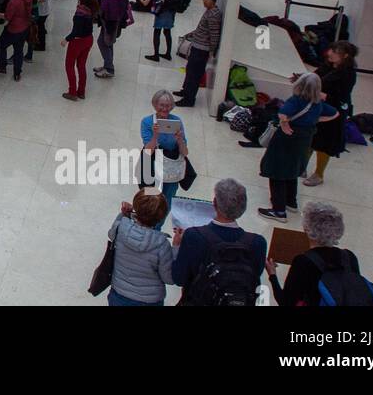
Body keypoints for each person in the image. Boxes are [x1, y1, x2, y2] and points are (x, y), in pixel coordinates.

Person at [256, 73, 339, 220]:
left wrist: (284, 124)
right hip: (304, 139)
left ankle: (279, 210)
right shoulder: (318, 104)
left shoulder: (296, 100)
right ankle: (291, 202)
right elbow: (335, 113)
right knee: (292, 169)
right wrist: (315, 119)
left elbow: (283, 113)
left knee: (277, 171)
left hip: (287, 139)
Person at [171, 178, 267, 306]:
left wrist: (176, 246)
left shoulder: (194, 236)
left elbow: (179, 278)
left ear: (215, 203)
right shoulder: (258, 243)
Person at [266, 202, 373, 306]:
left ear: (306, 229)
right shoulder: (349, 257)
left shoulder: (303, 262)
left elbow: (285, 302)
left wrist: (272, 275)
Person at [105, 191, 175, 306]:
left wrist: (123, 215)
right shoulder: (162, 245)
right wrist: (176, 246)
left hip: (118, 295)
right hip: (149, 300)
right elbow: (169, 278)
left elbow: (111, 234)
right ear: (162, 217)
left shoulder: (121, 228)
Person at [305, 41, 359, 188]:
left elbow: (342, 96)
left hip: (334, 111)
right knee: (310, 137)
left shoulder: (348, 73)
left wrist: (326, 96)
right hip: (318, 106)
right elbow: (315, 77)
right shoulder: (327, 66)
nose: (330, 53)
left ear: (345, 55)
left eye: (334, 52)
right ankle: (301, 166)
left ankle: (318, 174)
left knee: (324, 143)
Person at [140, 89, 188, 219]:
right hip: (151, 163)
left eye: (168, 105)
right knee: (149, 198)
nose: (165, 109)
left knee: (167, 200)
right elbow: (148, 151)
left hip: (171, 165)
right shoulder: (146, 122)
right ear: (155, 105)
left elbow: (185, 152)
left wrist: (180, 140)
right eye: (161, 105)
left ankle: (158, 227)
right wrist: (155, 135)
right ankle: (147, 223)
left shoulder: (177, 122)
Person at [174, 0, 222, 107]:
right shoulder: (209, 11)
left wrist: (212, 51)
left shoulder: (214, 14)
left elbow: (214, 34)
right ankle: (185, 91)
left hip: (202, 50)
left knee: (194, 74)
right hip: (197, 46)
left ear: (212, 0)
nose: (203, 1)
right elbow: (202, 29)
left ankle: (189, 99)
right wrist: (190, 34)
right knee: (189, 70)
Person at [0, 0, 33, 81]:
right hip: (25, 27)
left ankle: (2, 67)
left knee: (1, 45)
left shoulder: (15, 0)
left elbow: (7, 17)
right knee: (18, 50)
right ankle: (17, 73)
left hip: (13, 29)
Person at [62, 0, 98, 101]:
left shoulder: (80, 12)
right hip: (88, 39)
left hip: (77, 41)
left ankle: (72, 92)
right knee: (81, 65)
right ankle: (81, 91)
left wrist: (66, 39)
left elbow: (76, 31)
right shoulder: (91, 8)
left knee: (69, 65)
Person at [94, 0, 128, 80]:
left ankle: (109, 68)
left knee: (103, 42)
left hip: (112, 18)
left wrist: (107, 1)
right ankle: (107, 65)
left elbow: (122, 3)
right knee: (107, 42)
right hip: (106, 16)